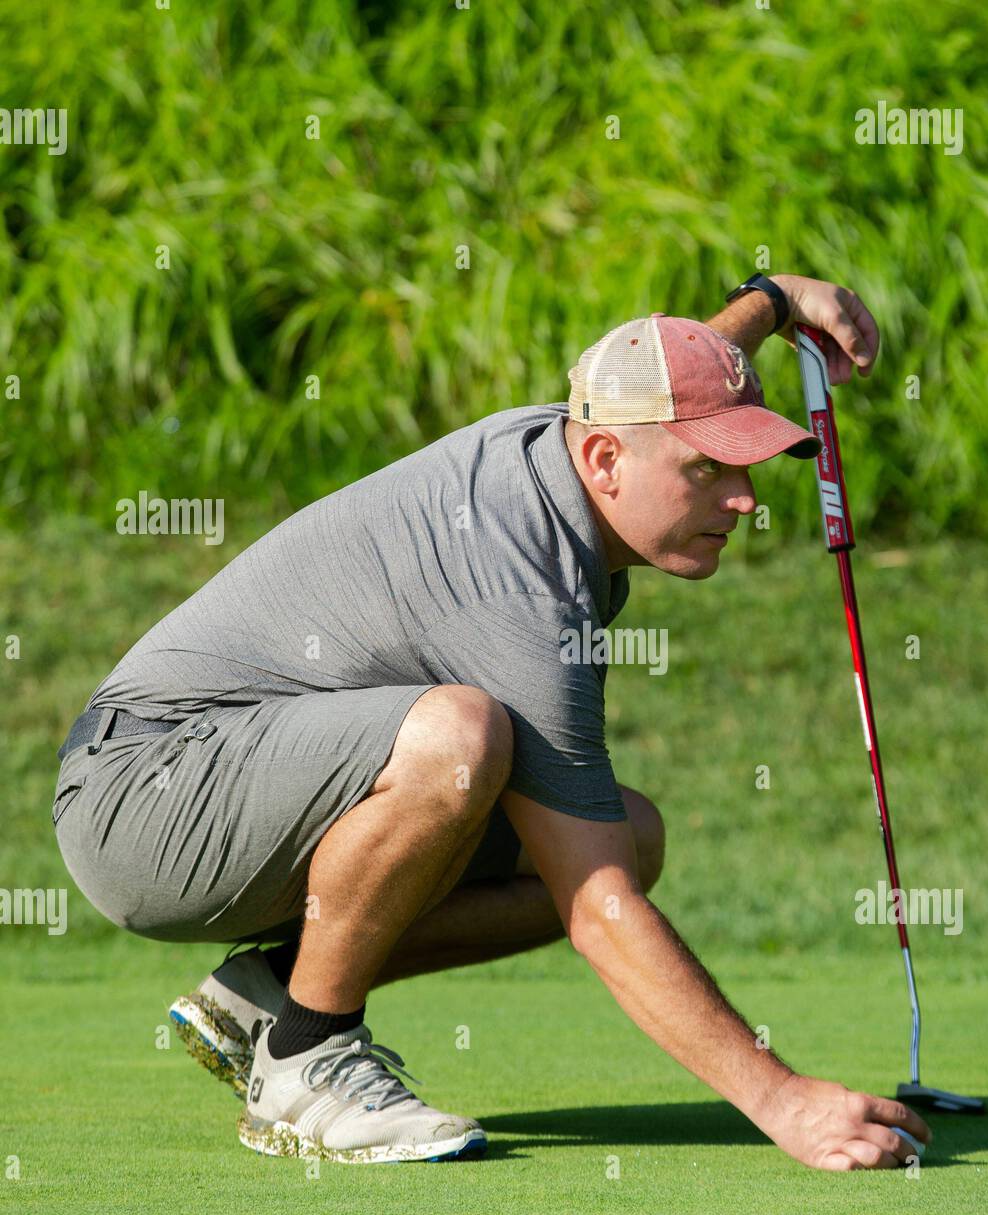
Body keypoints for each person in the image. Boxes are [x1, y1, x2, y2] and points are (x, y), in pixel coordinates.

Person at [52, 271, 931, 1169]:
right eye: (709, 469)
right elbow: (598, 909)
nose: (743, 499)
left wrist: (773, 300)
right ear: (605, 464)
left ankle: (267, 996)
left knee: (634, 834)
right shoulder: (518, 585)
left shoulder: (579, 443)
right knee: (460, 742)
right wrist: (781, 1101)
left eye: (742, 464)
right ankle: (307, 1059)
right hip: (143, 803)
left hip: (220, 780)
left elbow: (667, 379)